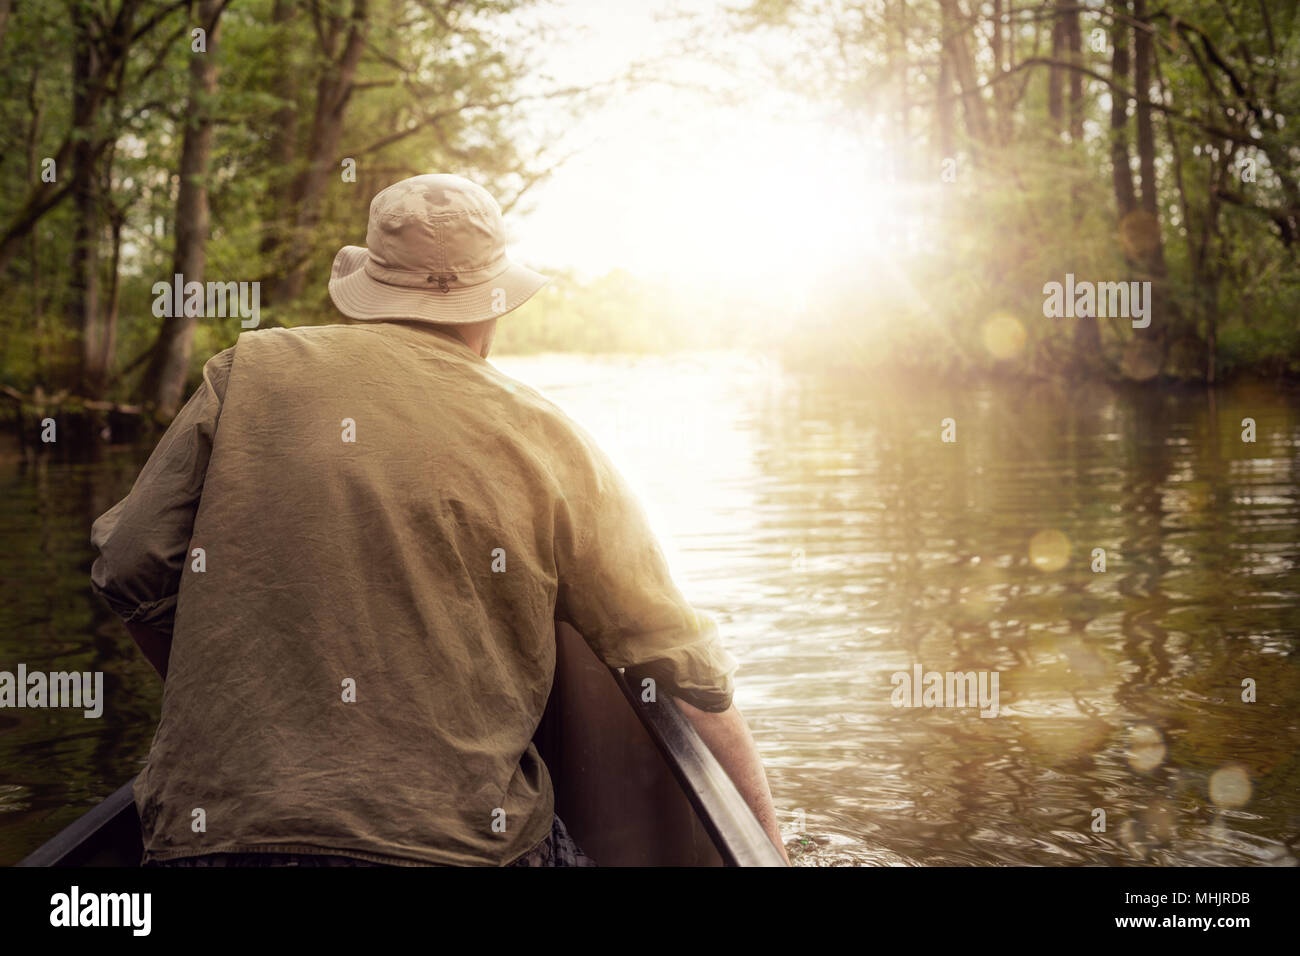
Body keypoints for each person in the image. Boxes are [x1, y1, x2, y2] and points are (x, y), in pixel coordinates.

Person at [90, 173, 789, 867]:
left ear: (370, 291)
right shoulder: (546, 434)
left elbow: (127, 569)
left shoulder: (245, 371)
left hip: (209, 841)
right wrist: (772, 852)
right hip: (452, 852)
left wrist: (245, 710)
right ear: (493, 307)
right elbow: (690, 676)